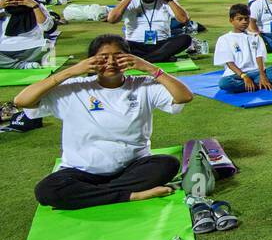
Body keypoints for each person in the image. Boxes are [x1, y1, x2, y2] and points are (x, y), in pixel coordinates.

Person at [16, 34, 194, 210]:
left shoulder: (143, 85)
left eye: (118, 56)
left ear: (130, 58)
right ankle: (132, 195)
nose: (111, 62)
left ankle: (93, 194)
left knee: (168, 164)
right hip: (82, 172)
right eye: (103, 57)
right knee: (48, 190)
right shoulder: (74, 87)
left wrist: (150, 68)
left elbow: (184, 96)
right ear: (90, 61)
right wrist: (70, 71)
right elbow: (22, 101)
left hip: (131, 168)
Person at [106, 0, 193, 62]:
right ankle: (159, 57)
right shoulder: (131, 0)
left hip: (161, 43)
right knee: (114, 42)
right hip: (134, 44)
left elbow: (184, 19)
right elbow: (112, 19)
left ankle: (144, 60)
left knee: (185, 39)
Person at [214, 3, 272, 92]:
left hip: (257, 73)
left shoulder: (255, 37)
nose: (244, 21)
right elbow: (230, 63)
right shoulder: (224, 39)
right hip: (236, 75)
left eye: (246, 19)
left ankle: (257, 83)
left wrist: (262, 75)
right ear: (231, 20)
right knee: (224, 83)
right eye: (240, 19)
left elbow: (259, 57)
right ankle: (261, 84)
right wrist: (244, 76)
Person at [0, 0, 55, 68]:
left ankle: (10, 64)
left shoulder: (36, 6)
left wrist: (35, 7)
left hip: (31, 48)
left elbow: (47, 27)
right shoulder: (3, 10)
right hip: (5, 49)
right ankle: (21, 65)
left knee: (48, 46)